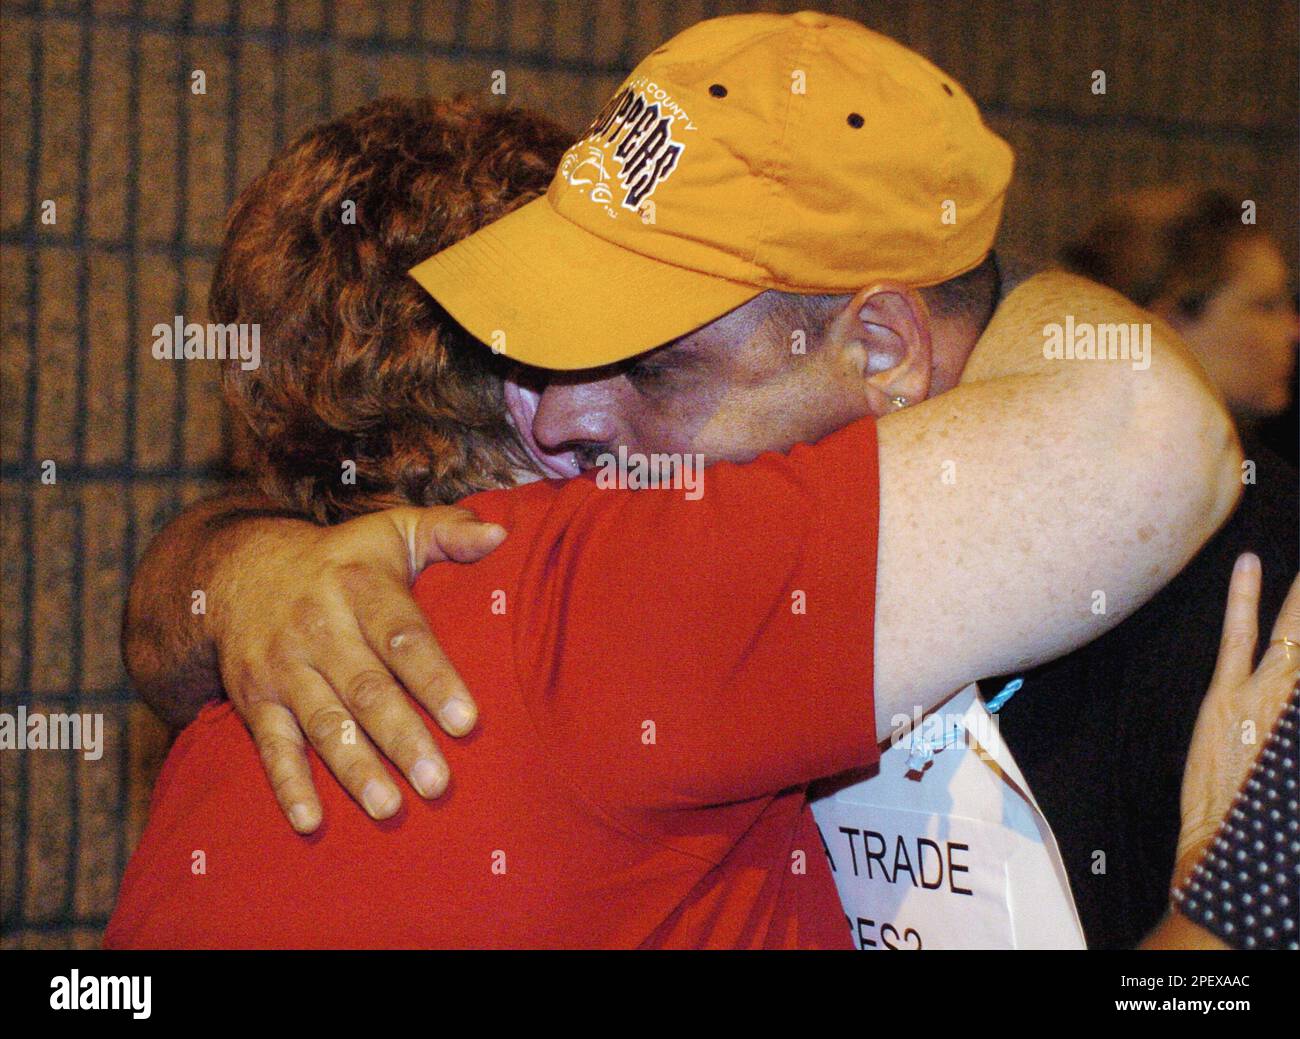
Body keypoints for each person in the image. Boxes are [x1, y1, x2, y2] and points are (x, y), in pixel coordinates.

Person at [111, 14, 1239, 947]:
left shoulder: (256, 695)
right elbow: (1141, 423)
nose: (567, 414)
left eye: (642, 359)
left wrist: (223, 558)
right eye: (537, 354)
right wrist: (1223, 918)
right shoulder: (616, 608)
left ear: (885, 347)